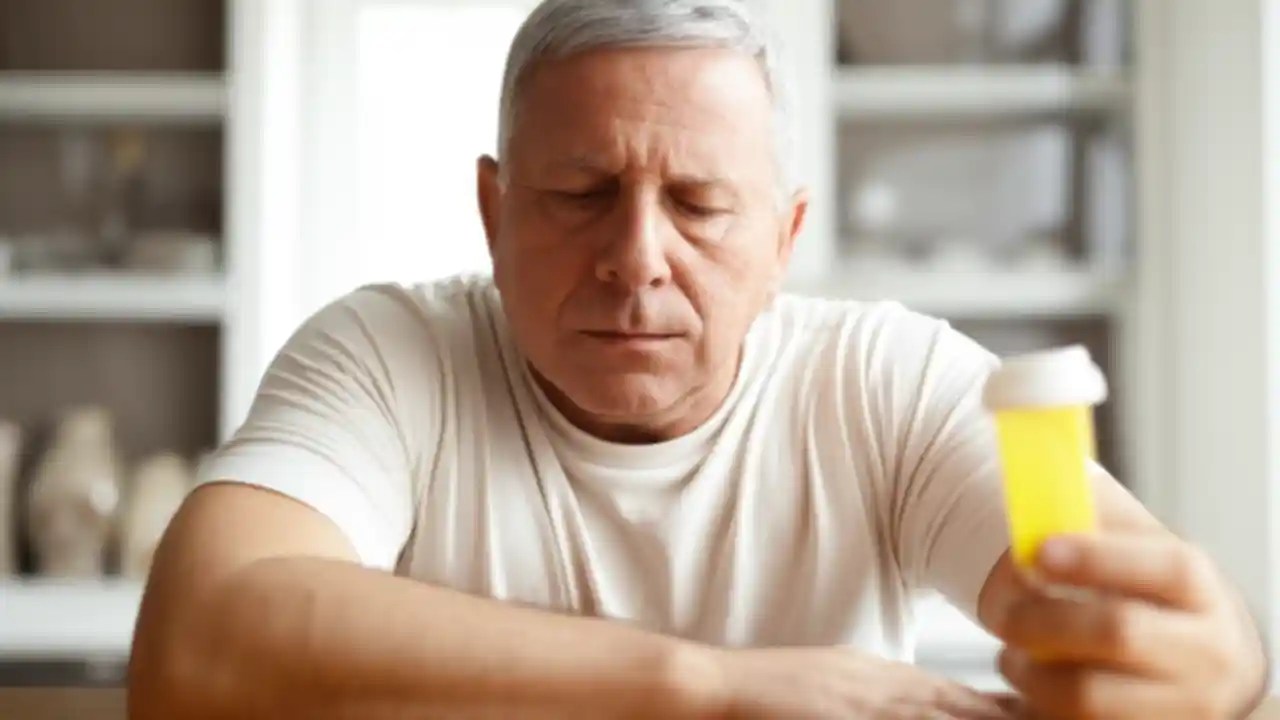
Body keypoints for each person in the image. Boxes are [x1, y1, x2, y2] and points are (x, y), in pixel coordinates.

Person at [128, 1, 1267, 717]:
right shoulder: (390, 353)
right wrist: (712, 688)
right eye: (578, 195)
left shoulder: (882, 380)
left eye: (699, 204)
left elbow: (1142, 628)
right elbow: (196, 646)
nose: (637, 259)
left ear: (782, 241)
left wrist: (1216, 670)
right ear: (491, 210)